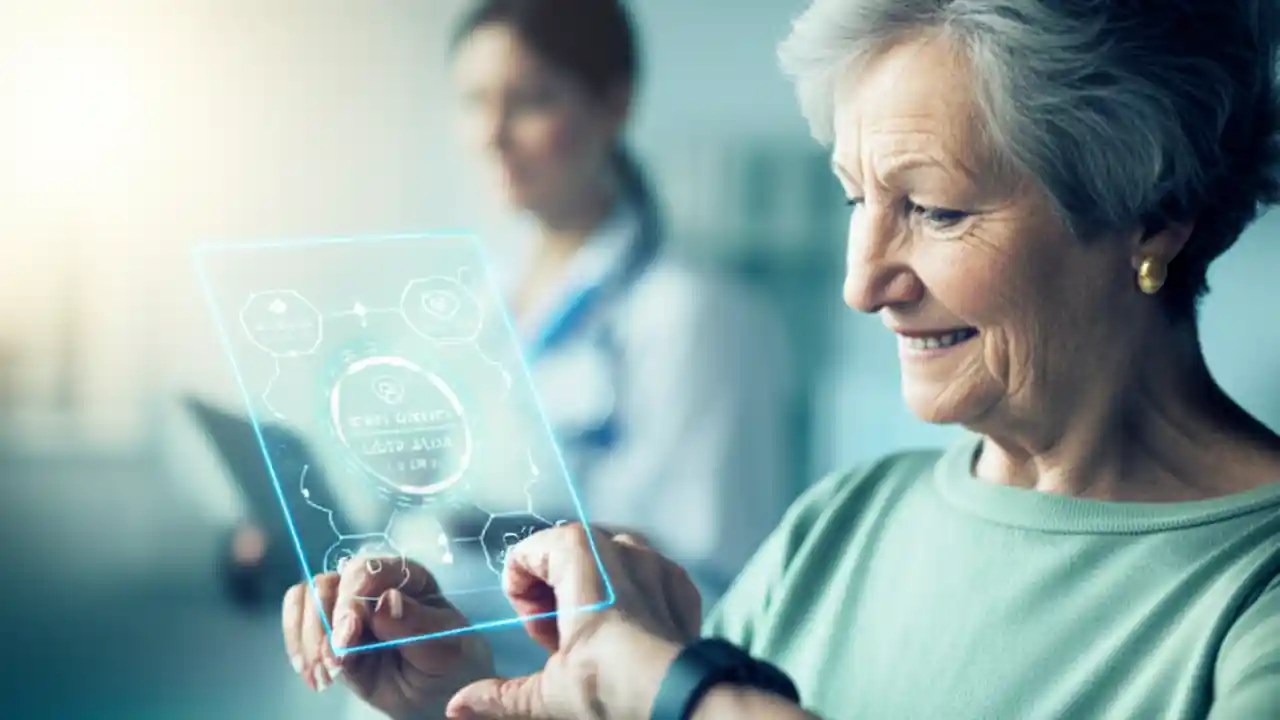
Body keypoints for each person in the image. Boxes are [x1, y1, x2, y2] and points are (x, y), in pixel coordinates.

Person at [280, 0, 1280, 717]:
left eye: (934, 209)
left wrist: (678, 687)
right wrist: (465, 684)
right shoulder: (843, 526)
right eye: (857, 200)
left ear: (1153, 215)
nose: (863, 282)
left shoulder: (1250, 597)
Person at [218, 0, 794, 620]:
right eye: (473, 101)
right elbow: (408, 504)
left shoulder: (694, 318)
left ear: (614, 105)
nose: (491, 133)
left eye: (530, 100)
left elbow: (713, 581)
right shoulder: (472, 303)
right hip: (422, 671)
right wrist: (308, 543)